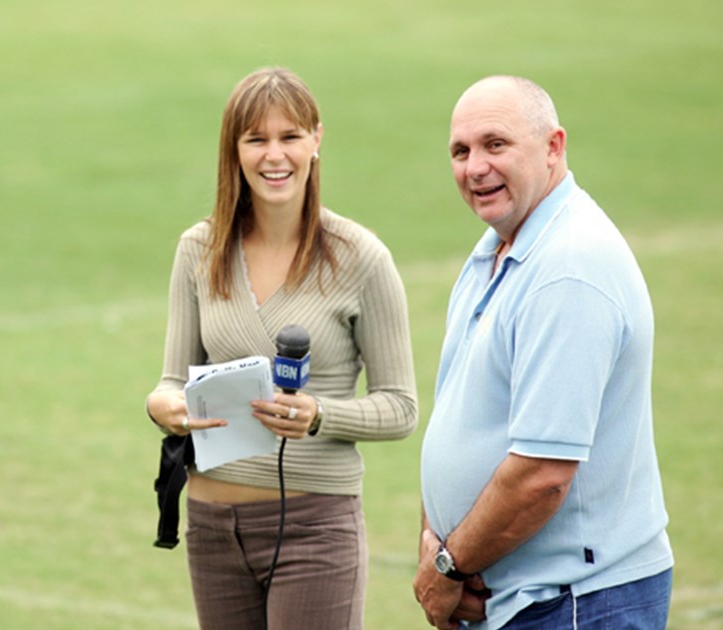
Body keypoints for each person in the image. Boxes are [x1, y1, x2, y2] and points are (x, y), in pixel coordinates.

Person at [145, 67, 418, 630]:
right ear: (234, 149)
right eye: (256, 139)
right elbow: (172, 381)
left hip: (314, 530)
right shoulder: (198, 249)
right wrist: (161, 405)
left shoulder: (361, 258)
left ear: (316, 140)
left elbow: (400, 407)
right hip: (211, 527)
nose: (275, 156)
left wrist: (318, 415)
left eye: (290, 137)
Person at [414, 75, 674, 630]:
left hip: (577, 603)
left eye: (495, 144)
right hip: (514, 596)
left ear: (553, 147)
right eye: (460, 151)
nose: (475, 167)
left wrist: (449, 565)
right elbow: (456, 421)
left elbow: (542, 473)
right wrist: (439, 546)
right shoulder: (496, 251)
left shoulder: (568, 269)